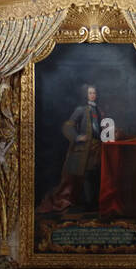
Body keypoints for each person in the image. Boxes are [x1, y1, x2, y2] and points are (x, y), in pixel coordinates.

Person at [37, 84, 104, 214]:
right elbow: (67, 126)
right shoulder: (81, 109)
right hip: (84, 149)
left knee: (96, 175)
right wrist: (77, 137)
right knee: (86, 176)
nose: (93, 95)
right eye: (90, 93)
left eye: (94, 93)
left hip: (97, 147)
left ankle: (95, 203)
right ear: (86, 95)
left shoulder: (99, 110)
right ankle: (89, 204)